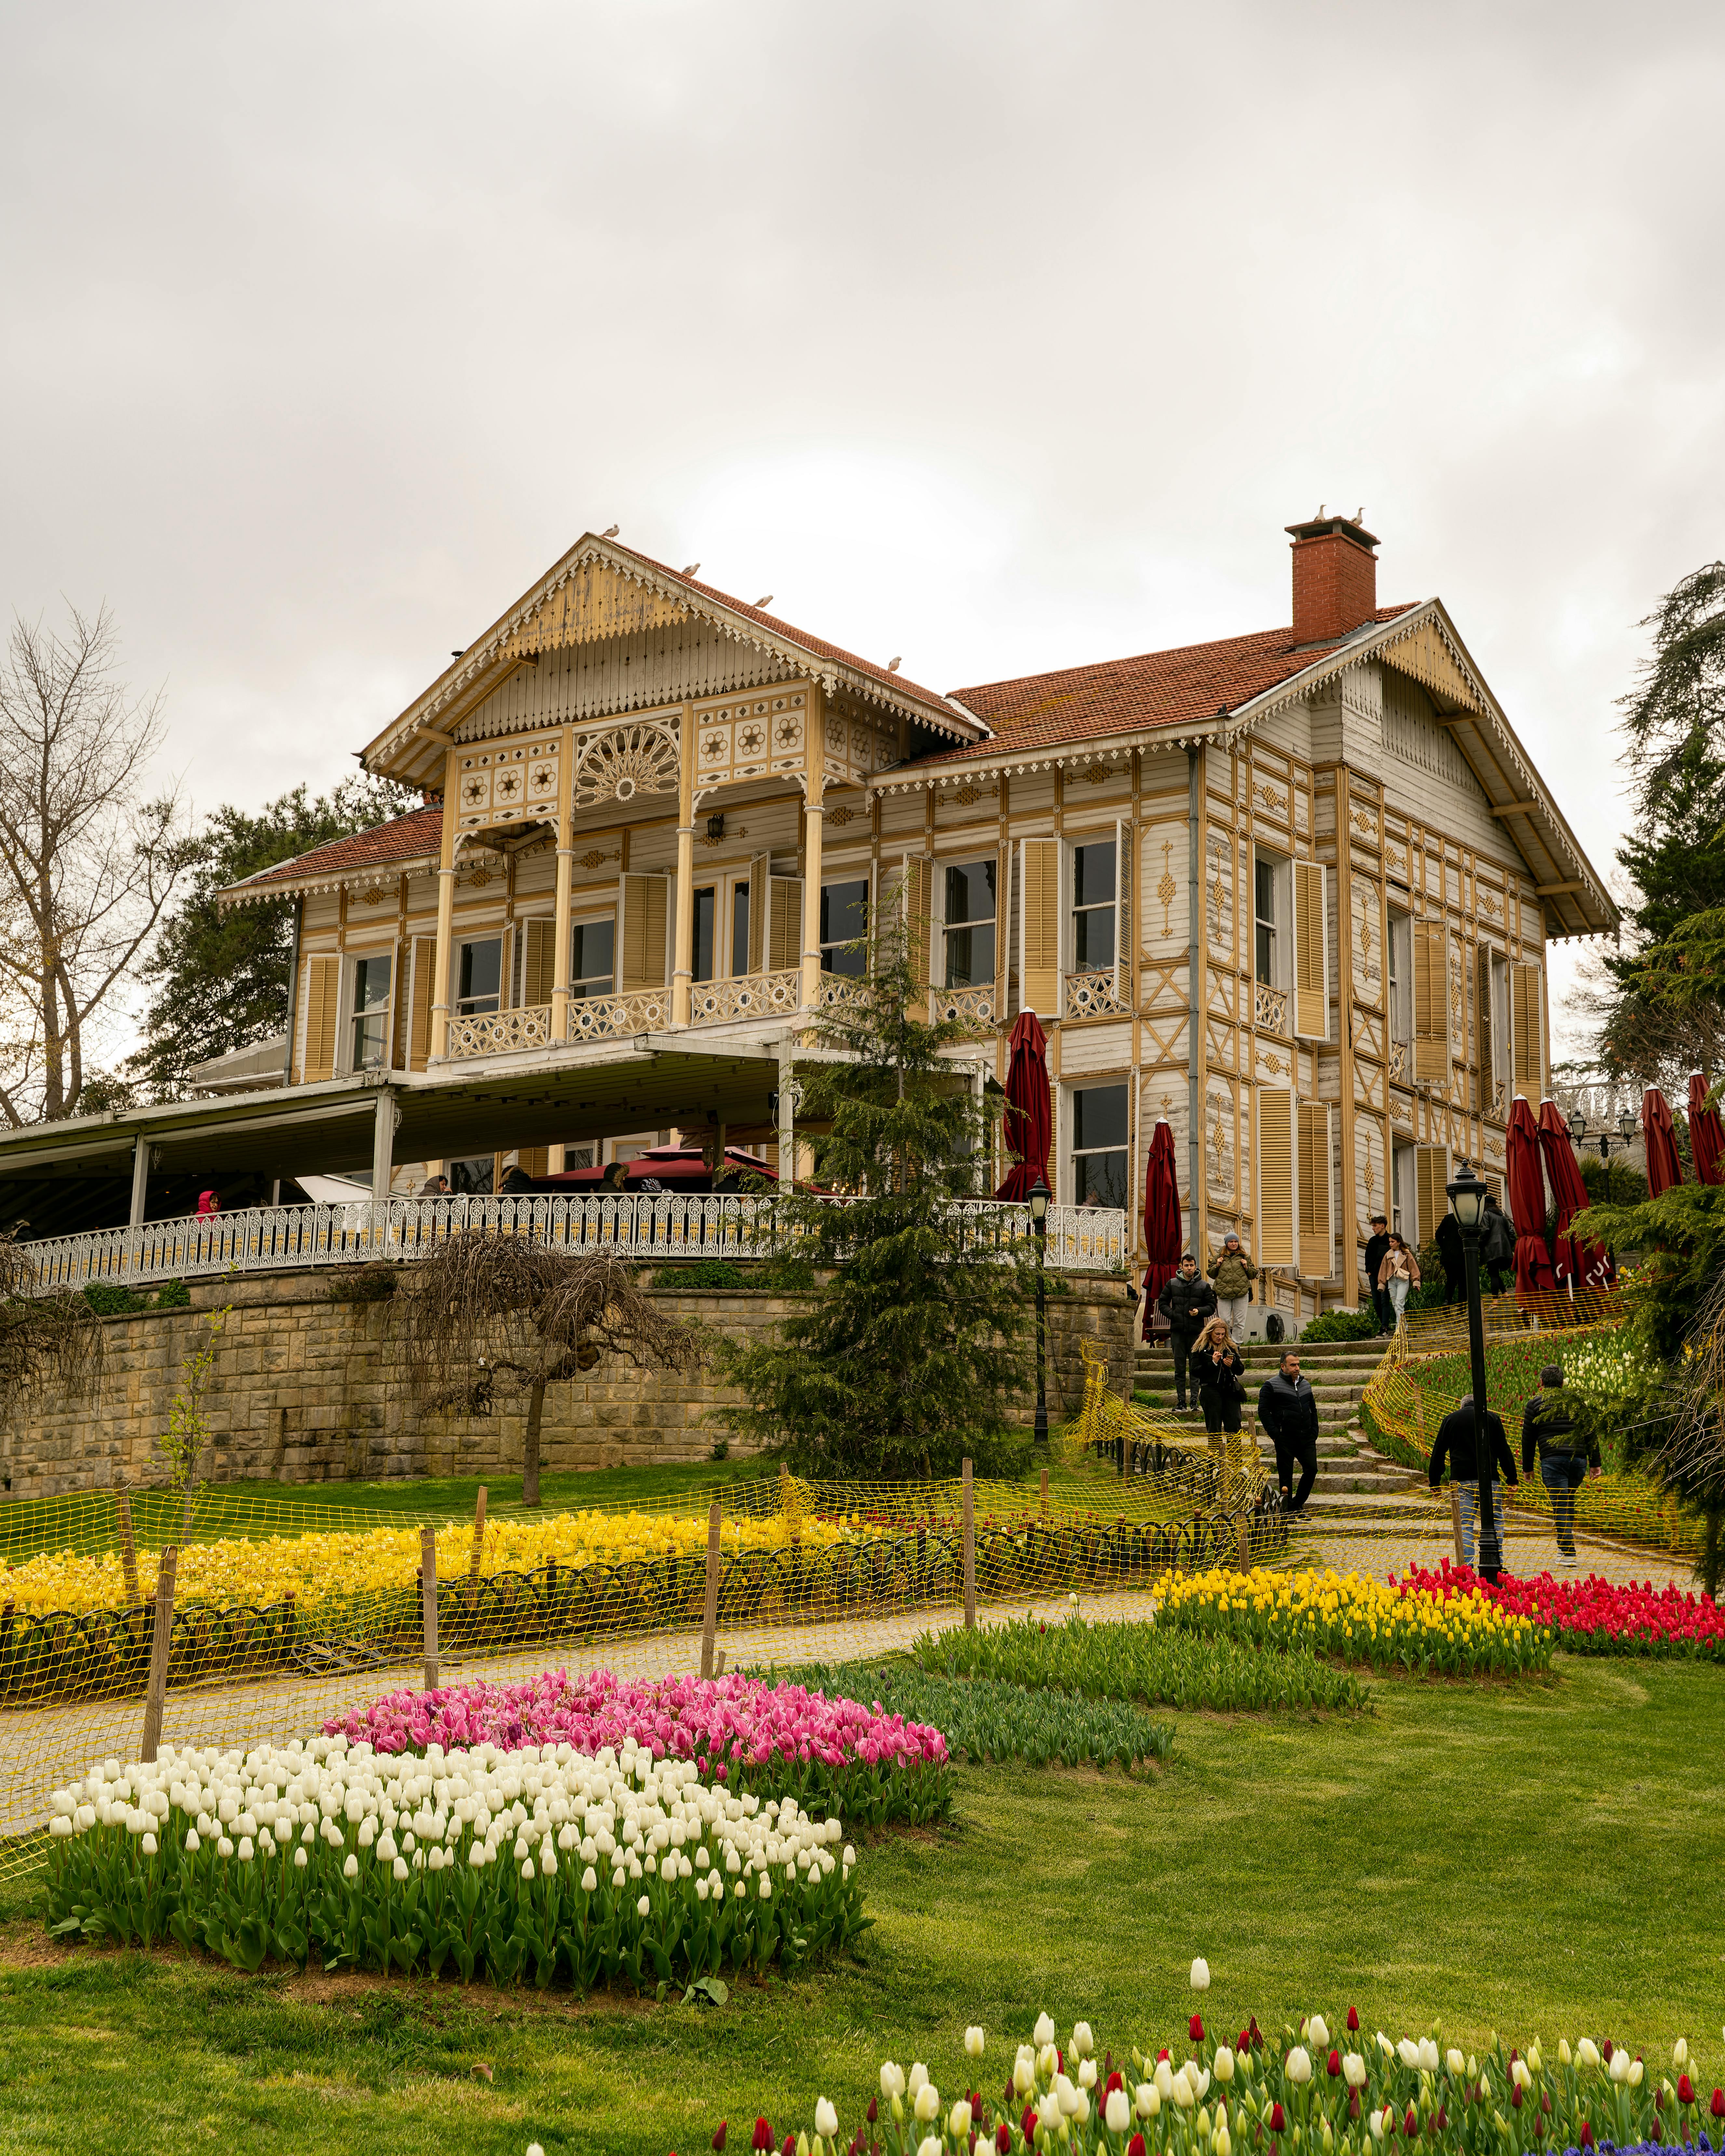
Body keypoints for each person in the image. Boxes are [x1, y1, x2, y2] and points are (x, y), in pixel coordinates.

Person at [1520, 1362, 1600, 1570]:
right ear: (1562, 1382)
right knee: (1568, 1501)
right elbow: (1590, 1430)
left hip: (1553, 1460)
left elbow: (1528, 1439)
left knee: (1561, 1504)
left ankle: (1568, 1553)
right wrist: (1596, 1463)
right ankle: (1563, 1546)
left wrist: (1527, 1468)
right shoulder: (1576, 1402)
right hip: (1578, 1461)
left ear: (1541, 1383)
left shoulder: (1535, 1404)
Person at [1429, 1392, 1519, 1568]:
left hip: (1462, 1481)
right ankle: (1496, 1562)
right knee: (1495, 1521)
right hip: (1490, 1480)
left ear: (1462, 1407)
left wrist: (1435, 1482)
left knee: (1465, 1524)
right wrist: (1512, 1478)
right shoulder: (1492, 1418)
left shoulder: (1451, 1420)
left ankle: (1467, 1567)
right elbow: (1504, 1450)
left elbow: (1438, 1452)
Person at [1191, 1315, 1251, 1500]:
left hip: (1230, 1392)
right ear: (1210, 1333)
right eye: (1217, 1334)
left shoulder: (1231, 1347)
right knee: (1215, 1428)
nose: (1220, 1337)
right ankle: (1214, 1465)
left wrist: (1232, 1364)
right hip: (1211, 1392)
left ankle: (1236, 1464)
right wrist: (1214, 1363)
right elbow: (1195, 1371)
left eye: (1223, 1334)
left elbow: (1241, 1370)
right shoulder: (1200, 1349)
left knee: (1234, 1425)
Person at [1258, 1349, 1319, 1512]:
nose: (1297, 1368)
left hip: (1307, 1437)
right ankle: (1286, 1513)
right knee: (1286, 1477)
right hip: (1285, 1438)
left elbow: (1313, 1409)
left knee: (1312, 1469)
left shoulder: (1306, 1385)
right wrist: (1275, 1434)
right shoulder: (1271, 1386)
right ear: (1283, 1367)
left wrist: (1315, 1431)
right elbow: (1263, 1411)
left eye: (1298, 1365)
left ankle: (1295, 1505)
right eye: (1293, 1365)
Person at [1156, 1253, 1217, 1413]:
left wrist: (1200, 1311)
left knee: (1196, 1368)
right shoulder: (1172, 1284)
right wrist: (1173, 1315)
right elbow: (1162, 1303)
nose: (1189, 1268)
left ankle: (1195, 1402)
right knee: (1180, 1368)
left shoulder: (1204, 1286)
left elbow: (1212, 1306)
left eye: (1192, 1265)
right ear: (1181, 1267)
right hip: (1178, 1332)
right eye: (1186, 1265)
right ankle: (1181, 1402)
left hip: (1196, 1334)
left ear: (1195, 1267)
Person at [1207, 1233, 1258, 1338]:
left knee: (1239, 1322)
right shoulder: (1219, 1256)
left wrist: (1247, 1267)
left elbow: (1253, 1274)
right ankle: (1229, 1343)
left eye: (1236, 1241)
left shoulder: (1245, 1256)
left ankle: (1236, 1346)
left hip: (1241, 1293)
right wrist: (1217, 1265)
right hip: (1223, 1293)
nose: (1234, 1244)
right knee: (1224, 1321)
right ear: (1227, 1243)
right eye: (1231, 1242)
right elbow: (1211, 1274)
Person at [1376, 1231, 1420, 1328]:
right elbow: (1383, 1269)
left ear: (1399, 1242)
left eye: (1393, 1242)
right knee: (1396, 1305)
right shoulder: (1388, 1255)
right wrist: (1382, 1283)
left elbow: (1413, 1267)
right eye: (1390, 1242)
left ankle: (1400, 1328)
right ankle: (1404, 1326)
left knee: (1399, 1303)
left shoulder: (1406, 1254)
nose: (1391, 1244)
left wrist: (1416, 1281)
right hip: (1392, 1281)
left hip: (1403, 1281)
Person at [1362, 1214, 1394, 1334]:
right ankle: (1384, 1324)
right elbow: (1368, 1257)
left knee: (1385, 1300)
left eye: (1375, 1226)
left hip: (1386, 1276)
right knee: (1376, 1302)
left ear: (1382, 1226)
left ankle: (1384, 1327)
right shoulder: (1373, 1241)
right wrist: (1369, 1271)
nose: (1373, 1228)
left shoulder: (1390, 1240)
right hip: (1374, 1275)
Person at [1482, 1195, 1516, 1296]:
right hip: (1505, 1251)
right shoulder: (1503, 1217)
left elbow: (1485, 1231)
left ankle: (1495, 1301)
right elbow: (1512, 1234)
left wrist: (1480, 1245)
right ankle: (1505, 1293)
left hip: (1492, 1250)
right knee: (1494, 1273)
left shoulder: (1486, 1214)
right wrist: (1509, 1247)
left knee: (1493, 1274)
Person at [1434, 1208, 1466, 1305]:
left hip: (1448, 1256)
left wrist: (1445, 1247)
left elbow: (1438, 1235)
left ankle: (1447, 1300)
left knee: (1451, 1280)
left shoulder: (1448, 1218)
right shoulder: (1466, 1219)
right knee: (1463, 1282)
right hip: (1462, 1255)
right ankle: (1461, 1307)